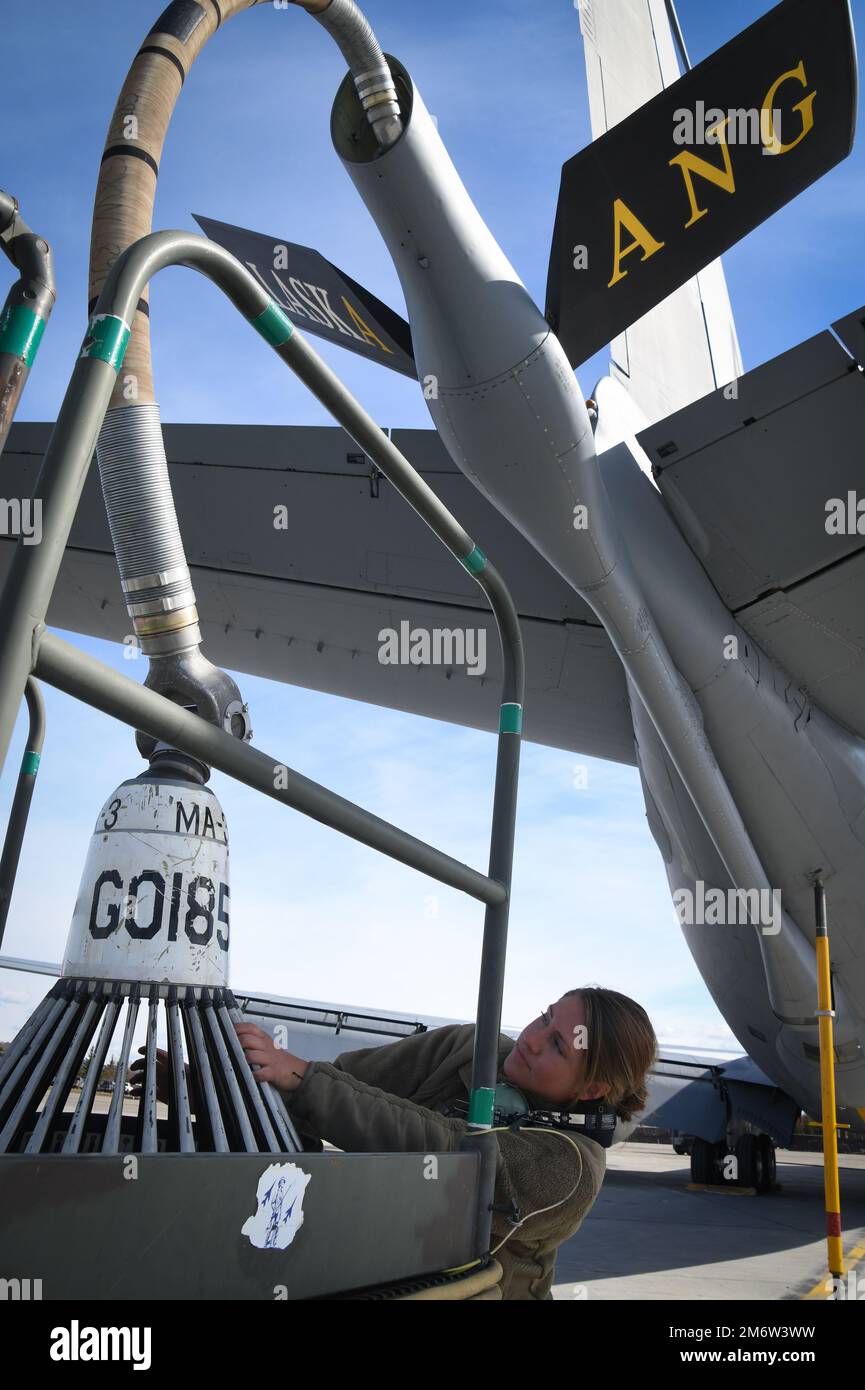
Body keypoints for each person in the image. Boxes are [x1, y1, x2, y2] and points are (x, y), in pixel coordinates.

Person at [235, 986, 657, 1300]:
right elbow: (347, 1078)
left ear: (592, 1089)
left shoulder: (571, 1169)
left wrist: (303, 1079)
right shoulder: (470, 1048)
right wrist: (230, 1086)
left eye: (557, 1046)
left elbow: (452, 1154)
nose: (532, 1038)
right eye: (545, 1018)